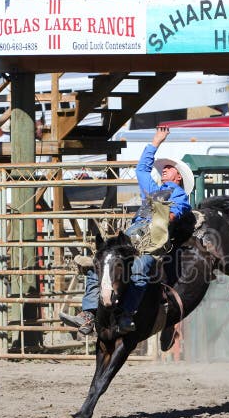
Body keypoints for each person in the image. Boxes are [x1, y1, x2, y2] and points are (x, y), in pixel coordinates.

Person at [60, 126, 193, 336]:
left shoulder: (179, 195)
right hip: (134, 234)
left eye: (170, 168)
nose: (165, 169)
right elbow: (142, 170)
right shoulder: (153, 189)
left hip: (154, 239)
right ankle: (88, 314)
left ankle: (126, 315)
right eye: (164, 167)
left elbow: (173, 215)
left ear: (179, 177)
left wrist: (165, 215)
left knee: (140, 268)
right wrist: (155, 142)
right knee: (99, 264)